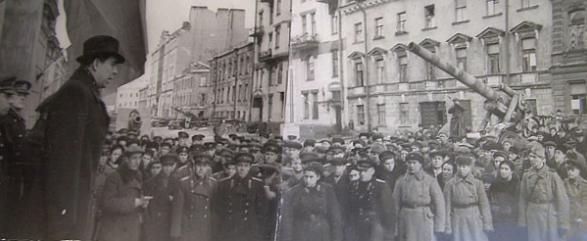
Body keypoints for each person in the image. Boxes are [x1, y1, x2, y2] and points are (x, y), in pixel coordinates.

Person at [39, 35, 124, 240]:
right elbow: (63, 163)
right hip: (65, 212)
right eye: (112, 64)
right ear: (95, 63)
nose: (116, 71)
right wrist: (62, 219)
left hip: (74, 205)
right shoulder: (77, 93)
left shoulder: (85, 91)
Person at [278, 162, 343, 241]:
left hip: (322, 234)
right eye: (306, 177)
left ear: (318, 177)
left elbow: (335, 217)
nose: (308, 180)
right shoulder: (294, 192)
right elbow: (287, 219)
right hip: (301, 234)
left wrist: (336, 238)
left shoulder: (327, 190)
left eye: (311, 177)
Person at [97, 145, 150, 241]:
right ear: (126, 159)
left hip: (132, 227)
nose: (137, 162)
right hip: (115, 227)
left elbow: (137, 195)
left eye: (139, 158)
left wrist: (142, 203)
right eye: (134, 158)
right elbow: (107, 203)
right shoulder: (114, 177)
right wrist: (134, 202)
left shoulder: (138, 175)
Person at [518, 142, 570, 241]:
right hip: (532, 214)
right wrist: (522, 222)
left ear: (543, 159)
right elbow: (522, 199)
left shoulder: (552, 175)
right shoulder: (526, 175)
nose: (532, 160)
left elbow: (562, 200)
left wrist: (563, 224)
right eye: (531, 157)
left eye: (535, 157)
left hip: (549, 214)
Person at [392, 152, 445, 241]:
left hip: (424, 218)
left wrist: (439, 226)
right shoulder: (401, 181)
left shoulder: (430, 180)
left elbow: (439, 203)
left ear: (420, 164)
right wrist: (395, 226)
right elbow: (395, 205)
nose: (411, 165)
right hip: (406, 219)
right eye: (409, 163)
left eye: (414, 163)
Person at [213, 152, 266, 241]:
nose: (242, 169)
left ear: (250, 167)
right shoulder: (224, 184)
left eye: (246, 166)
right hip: (229, 229)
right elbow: (218, 209)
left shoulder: (257, 184)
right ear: (236, 166)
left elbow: (261, 210)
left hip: (249, 230)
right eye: (240, 165)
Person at [444, 154, 493, 241]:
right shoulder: (450, 184)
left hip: (474, 217)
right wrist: (447, 226)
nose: (462, 169)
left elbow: (484, 205)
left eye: (465, 166)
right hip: (457, 219)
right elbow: (446, 206)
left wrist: (487, 223)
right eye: (459, 166)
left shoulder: (477, 183)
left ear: (470, 167)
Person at [171, 154, 217, 241]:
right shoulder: (184, 183)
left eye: (204, 166)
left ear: (208, 168)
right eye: (199, 165)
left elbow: (214, 210)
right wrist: (176, 233)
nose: (201, 169)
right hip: (188, 229)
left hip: (205, 228)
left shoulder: (213, 184)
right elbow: (177, 211)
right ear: (194, 166)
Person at [346, 159, 394, 241]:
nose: (362, 174)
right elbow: (349, 206)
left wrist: (387, 232)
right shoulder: (353, 185)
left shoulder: (380, 186)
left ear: (372, 171)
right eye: (360, 171)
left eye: (365, 171)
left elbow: (388, 211)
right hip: (356, 223)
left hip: (374, 224)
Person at [487, 160, 524, 241]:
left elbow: (520, 203)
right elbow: (490, 200)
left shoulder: (517, 185)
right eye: (501, 168)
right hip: (497, 219)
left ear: (512, 171)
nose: (503, 171)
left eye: (506, 169)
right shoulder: (495, 184)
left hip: (511, 219)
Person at [143, 154, 176, 241]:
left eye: (170, 165)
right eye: (165, 165)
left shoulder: (177, 182)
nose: (168, 168)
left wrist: (174, 200)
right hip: (155, 219)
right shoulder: (150, 183)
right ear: (162, 166)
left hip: (170, 218)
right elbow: (147, 203)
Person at [563, 161, 587, 241]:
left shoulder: (584, 185)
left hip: (581, 221)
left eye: (572, 170)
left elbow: (585, 204)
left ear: (579, 171)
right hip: (567, 220)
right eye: (568, 170)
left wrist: (581, 217)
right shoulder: (564, 183)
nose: (569, 172)